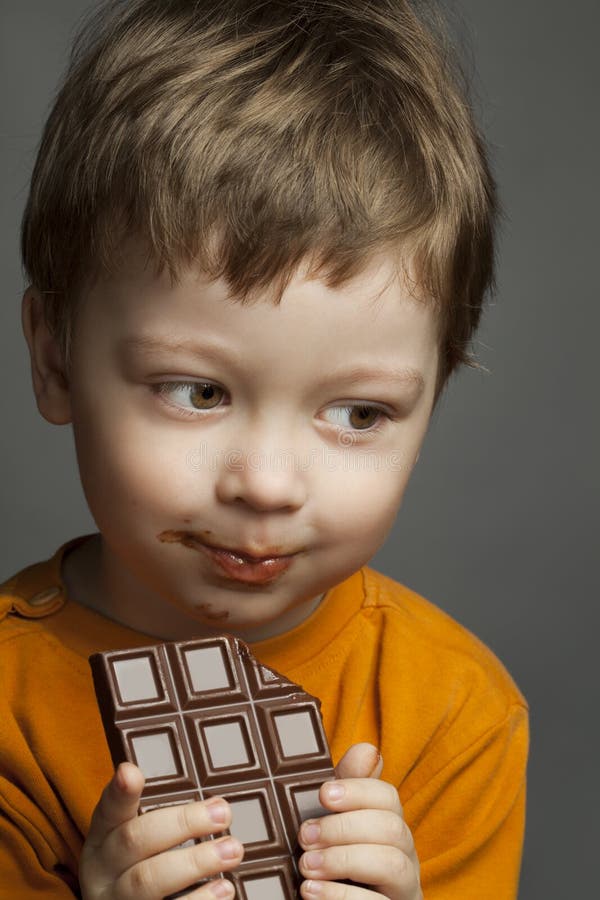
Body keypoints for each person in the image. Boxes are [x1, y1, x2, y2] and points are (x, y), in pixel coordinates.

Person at [0, 1, 529, 898]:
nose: (270, 486)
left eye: (359, 414)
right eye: (198, 392)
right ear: (55, 361)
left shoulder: (457, 714)